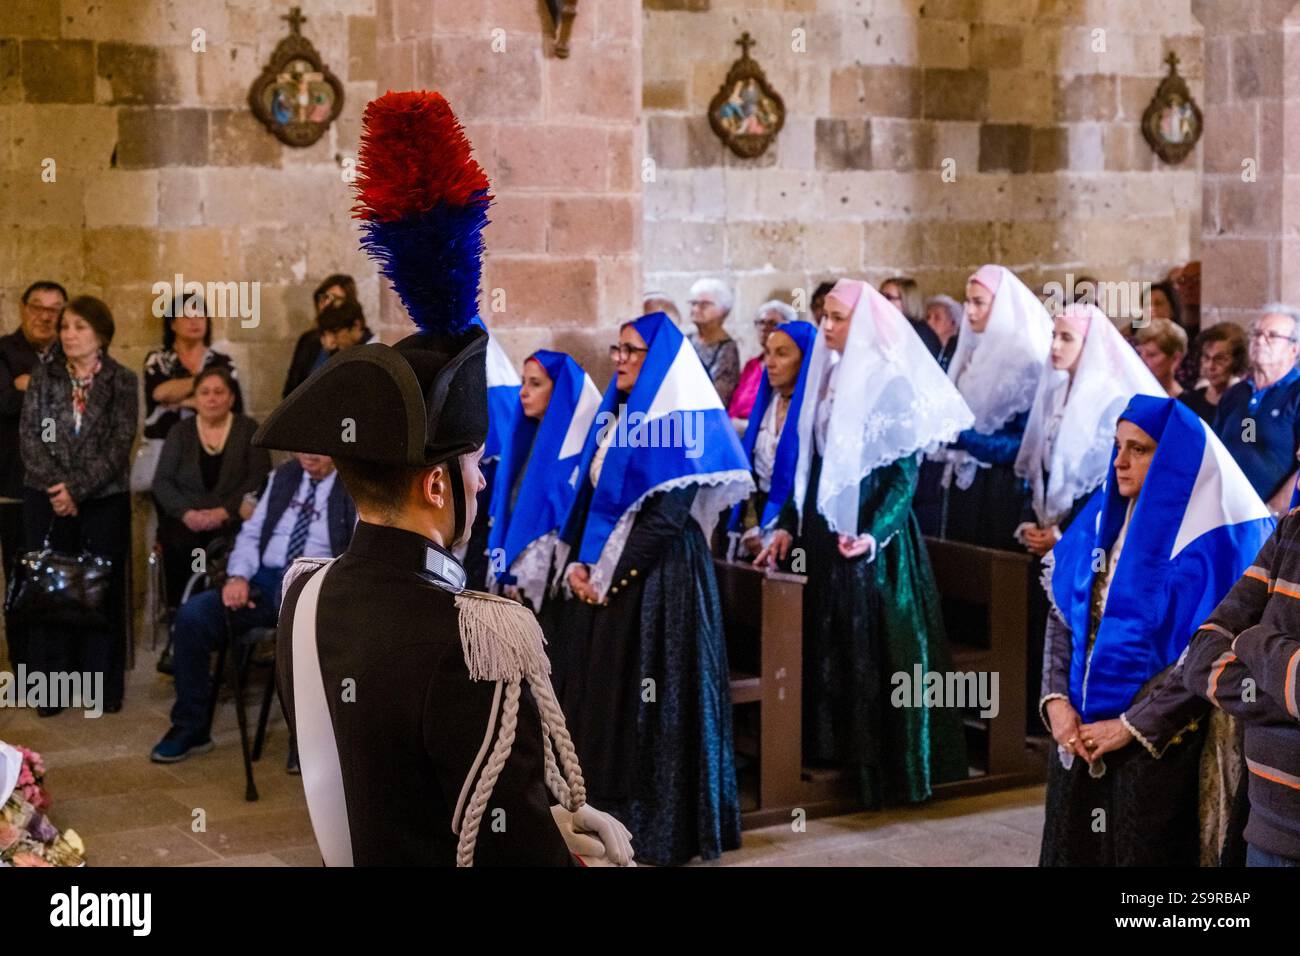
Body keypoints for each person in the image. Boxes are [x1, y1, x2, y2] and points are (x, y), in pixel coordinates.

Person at [259, 90, 632, 866]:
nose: (485, 483)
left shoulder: (304, 592)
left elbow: (401, 797)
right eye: (473, 466)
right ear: (437, 485)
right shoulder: (475, 638)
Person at [756, 280, 972, 807]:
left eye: (837, 318)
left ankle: (883, 769)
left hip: (876, 540)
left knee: (874, 647)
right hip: (821, 533)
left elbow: (903, 476)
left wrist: (875, 534)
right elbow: (805, 463)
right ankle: (832, 755)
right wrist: (785, 521)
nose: (827, 326)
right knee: (827, 642)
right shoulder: (823, 375)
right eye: (824, 317)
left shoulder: (889, 383)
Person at [1038, 395, 1273, 866]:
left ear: (1173, 458)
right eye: (1117, 446)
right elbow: (1063, 614)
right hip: (1080, 729)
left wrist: (1131, 726)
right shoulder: (1101, 519)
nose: (1120, 462)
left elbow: (1206, 654)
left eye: (1140, 450)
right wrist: (1056, 701)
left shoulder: (1220, 539)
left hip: (1161, 740)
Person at [555, 309, 753, 866]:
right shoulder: (615, 416)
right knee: (608, 698)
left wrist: (608, 578)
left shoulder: (681, 422)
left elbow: (667, 521)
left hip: (662, 583)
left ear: (658, 362)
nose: (618, 360)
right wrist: (577, 563)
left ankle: (662, 829)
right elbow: (587, 501)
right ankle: (601, 817)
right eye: (616, 349)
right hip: (607, 577)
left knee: (653, 698)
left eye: (630, 351)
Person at [1014, 303, 1164, 734]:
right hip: (1051, 527)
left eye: (1066, 337)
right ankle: (1045, 712)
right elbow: (1034, 464)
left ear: (1089, 344)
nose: (1055, 346)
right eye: (1054, 335)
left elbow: (1113, 477)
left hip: (1089, 532)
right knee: (1052, 631)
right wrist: (1031, 521)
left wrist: (1065, 533)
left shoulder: (1110, 399)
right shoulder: (1055, 390)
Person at [149, 453, 354, 763]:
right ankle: (190, 727)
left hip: (314, 584)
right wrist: (237, 576)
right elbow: (251, 533)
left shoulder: (353, 486)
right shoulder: (282, 477)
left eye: (319, 449)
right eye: (302, 447)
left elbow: (354, 552)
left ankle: (308, 741)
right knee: (193, 618)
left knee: (310, 639)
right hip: (263, 580)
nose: (309, 456)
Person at [18, 296, 137, 714]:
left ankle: (101, 690)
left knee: (97, 593)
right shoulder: (44, 377)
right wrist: (57, 488)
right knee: (49, 592)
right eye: (65, 326)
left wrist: (77, 490)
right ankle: (50, 690)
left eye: (79, 327)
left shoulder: (123, 381)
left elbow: (118, 446)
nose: (68, 334)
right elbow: (31, 438)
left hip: (103, 502)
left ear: (101, 335)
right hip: (46, 500)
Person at [1181, 501, 1300, 867]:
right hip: (1266, 833)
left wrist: (1254, 639)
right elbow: (1200, 657)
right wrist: (1288, 688)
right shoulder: (1291, 529)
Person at [915, 264, 1051, 550]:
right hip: (965, 482)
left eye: (979, 303)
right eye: (968, 302)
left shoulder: (1027, 360)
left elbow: (1026, 442)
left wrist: (962, 437)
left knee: (995, 574)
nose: (970, 311)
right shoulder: (972, 353)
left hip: (1003, 488)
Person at [486, 350, 600, 618]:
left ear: (559, 390)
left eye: (535, 384)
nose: (523, 392)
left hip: (553, 584)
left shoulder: (576, 451)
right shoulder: (523, 441)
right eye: (524, 382)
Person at [150, 366, 271, 609]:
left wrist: (225, 511)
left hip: (232, 519)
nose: (212, 398)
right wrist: (187, 513)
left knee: (232, 543)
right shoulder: (180, 432)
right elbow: (162, 481)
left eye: (219, 392)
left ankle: (222, 609)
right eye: (204, 392)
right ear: (195, 399)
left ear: (231, 398)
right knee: (180, 543)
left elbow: (259, 477)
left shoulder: (248, 429)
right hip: (186, 520)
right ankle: (181, 610)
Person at [0, 280, 64, 667]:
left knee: (61, 577)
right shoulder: (3, 351)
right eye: (38, 307)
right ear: (23, 308)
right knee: (21, 578)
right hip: (15, 487)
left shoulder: (68, 350)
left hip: (64, 487)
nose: (46, 315)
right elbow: (5, 401)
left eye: (55, 309)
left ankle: (60, 661)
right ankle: (28, 667)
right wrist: (42, 390)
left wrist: (29, 387)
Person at [728, 320, 817, 559]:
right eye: (768, 353)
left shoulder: (816, 412)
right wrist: (752, 527)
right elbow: (750, 467)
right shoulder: (768, 403)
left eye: (782, 354)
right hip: (758, 516)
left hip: (798, 523)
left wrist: (779, 526)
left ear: (805, 359)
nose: (770, 363)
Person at [1213, 304, 1300, 513]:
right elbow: (1216, 449)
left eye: (1272, 335)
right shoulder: (1236, 393)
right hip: (1226, 513)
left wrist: (1271, 511)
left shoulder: (1296, 393)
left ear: (1294, 348)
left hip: (1274, 519)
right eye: (1257, 333)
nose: (1260, 340)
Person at [142, 292, 243, 442]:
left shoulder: (222, 362)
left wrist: (177, 401)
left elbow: (231, 406)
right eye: (187, 316)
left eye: (200, 316)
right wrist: (205, 385)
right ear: (172, 324)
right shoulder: (158, 360)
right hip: (163, 443)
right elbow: (159, 393)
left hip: (213, 443)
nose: (195, 322)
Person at [281, 274, 358, 398]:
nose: (327, 303)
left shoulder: (353, 340)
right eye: (324, 297)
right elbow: (290, 389)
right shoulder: (308, 339)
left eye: (336, 298)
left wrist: (333, 350)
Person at [728, 299, 795, 423]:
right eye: (761, 323)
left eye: (772, 323)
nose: (764, 328)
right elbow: (735, 404)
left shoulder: (789, 365)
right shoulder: (752, 365)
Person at [686, 277, 741, 406]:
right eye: (693, 303)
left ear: (723, 311)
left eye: (704, 304)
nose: (696, 309)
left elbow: (719, 397)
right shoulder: (686, 340)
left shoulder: (727, 349)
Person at [1181, 322, 1247, 423]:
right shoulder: (1188, 403)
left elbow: (1250, 437)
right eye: (1206, 357)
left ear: (1237, 361)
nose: (1210, 366)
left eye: (1220, 359)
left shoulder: (1247, 404)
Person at [880, 276, 942, 358]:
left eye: (888, 297)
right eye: (880, 295)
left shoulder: (919, 333)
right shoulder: (893, 326)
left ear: (907, 301)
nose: (880, 300)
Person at [1133, 317, 1187, 398]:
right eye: (1139, 353)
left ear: (1175, 359)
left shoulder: (1188, 405)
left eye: (1151, 354)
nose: (1141, 361)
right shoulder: (1130, 396)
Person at [924, 294, 961, 371]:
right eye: (928, 317)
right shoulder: (923, 348)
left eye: (937, 318)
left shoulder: (958, 356)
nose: (929, 322)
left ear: (953, 323)